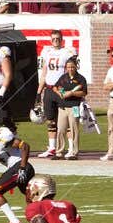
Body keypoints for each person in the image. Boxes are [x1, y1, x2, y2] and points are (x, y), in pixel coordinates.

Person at [37, 28, 71, 159]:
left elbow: (71, 72)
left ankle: (70, 147)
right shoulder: (47, 52)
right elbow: (44, 73)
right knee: (50, 120)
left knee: (66, 120)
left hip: (61, 89)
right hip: (49, 89)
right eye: (53, 39)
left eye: (58, 39)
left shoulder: (66, 53)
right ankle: (52, 147)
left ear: (61, 40)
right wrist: (39, 91)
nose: (55, 41)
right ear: (50, 40)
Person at [52, 55, 88, 159]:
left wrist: (72, 93)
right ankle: (59, 152)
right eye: (68, 67)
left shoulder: (81, 79)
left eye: (72, 67)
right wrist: (60, 93)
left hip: (74, 107)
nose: (70, 69)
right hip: (62, 107)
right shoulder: (63, 77)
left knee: (74, 129)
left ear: (76, 67)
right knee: (61, 129)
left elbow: (83, 93)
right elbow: (55, 87)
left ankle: (74, 152)